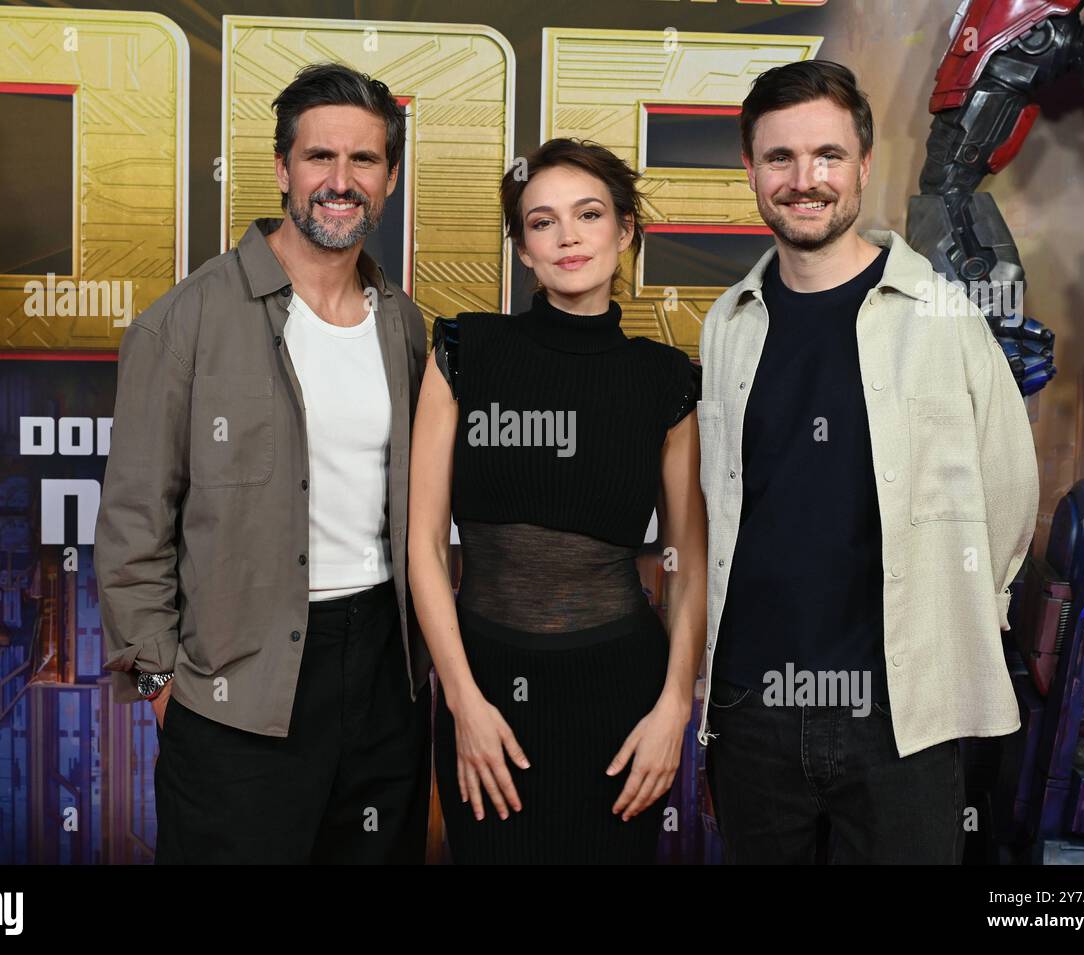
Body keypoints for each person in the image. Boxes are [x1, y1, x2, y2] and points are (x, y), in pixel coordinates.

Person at [696, 59, 1040, 864]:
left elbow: (1009, 487)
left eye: (827, 156)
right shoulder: (727, 322)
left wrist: (961, 619)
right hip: (754, 711)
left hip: (902, 713)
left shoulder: (945, 314)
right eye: (779, 158)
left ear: (864, 164)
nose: (803, 179)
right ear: (750, 169)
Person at [95, 62, 432, 864]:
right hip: (234, 696)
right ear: (283, 169)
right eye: (320, 158)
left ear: (388, 178)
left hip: (385, 681)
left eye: (365, 161)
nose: (341, 182)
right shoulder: (182, 324)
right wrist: (161, 687)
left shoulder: (409, 330)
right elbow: (134, 522)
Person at [408, 138, 708, 864]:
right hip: (483, 695)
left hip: (622, 699)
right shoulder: (464, 349)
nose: (568, 235)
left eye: (589, 213)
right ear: (522, 249)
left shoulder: (665, 378)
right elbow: (421, 544)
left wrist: (674, 707)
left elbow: (691, 566)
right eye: (542, 222)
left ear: (625, 229)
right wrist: (463, 698)